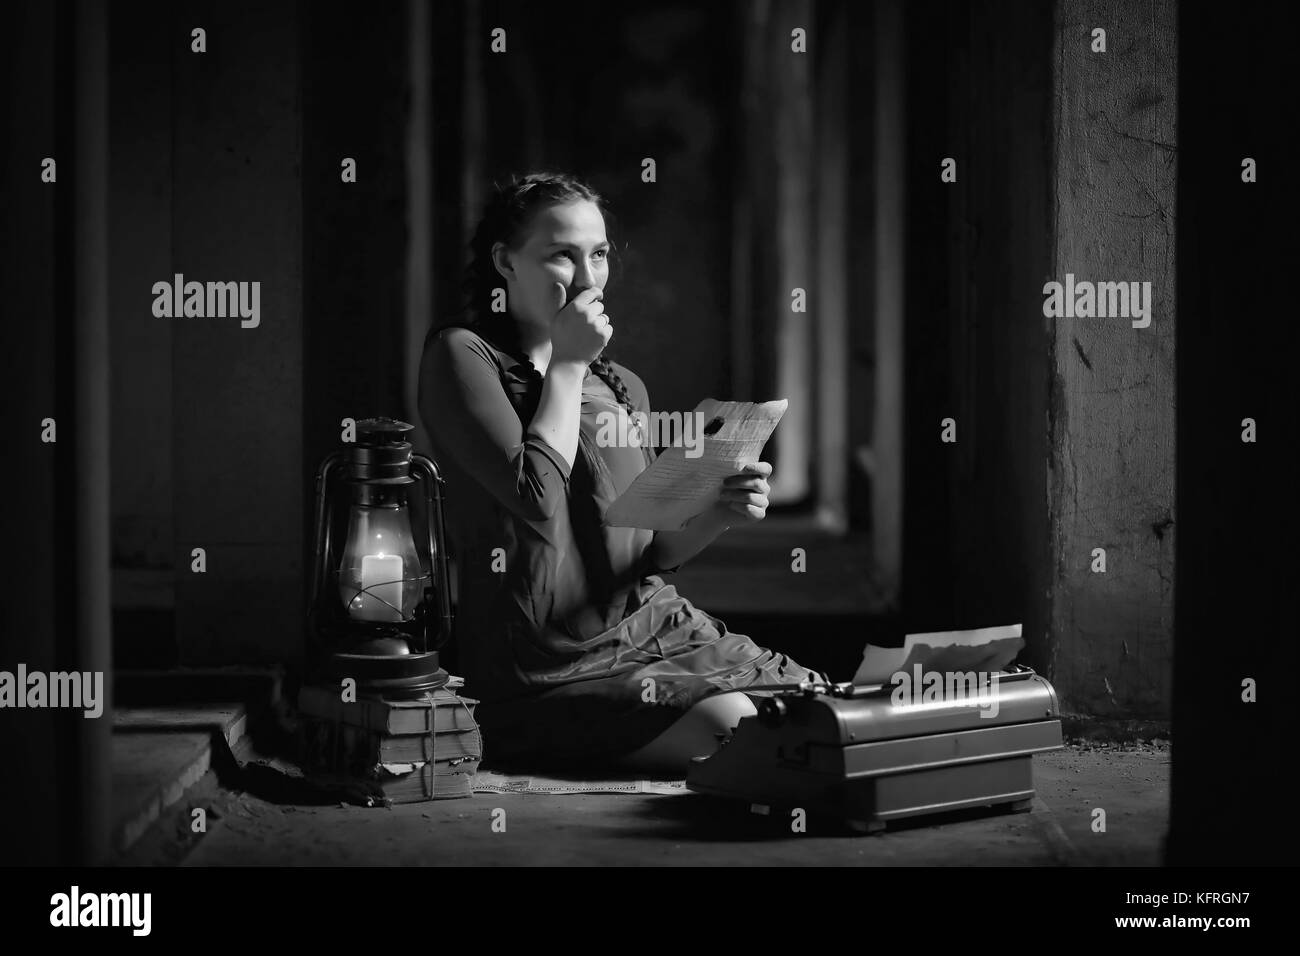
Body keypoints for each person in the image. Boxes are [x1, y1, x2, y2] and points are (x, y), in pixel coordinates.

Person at [417, 171, 826, 777]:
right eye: (562, 255)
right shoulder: (462, 356)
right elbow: (534, 495)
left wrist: (720, 511)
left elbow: (649, 551)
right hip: (542, 666)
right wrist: (567, 364)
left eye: (600, 255)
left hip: (653, 631)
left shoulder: (621, 385)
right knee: (740, 729)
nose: (587, 278)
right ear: (505, 261)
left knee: (810, 712)